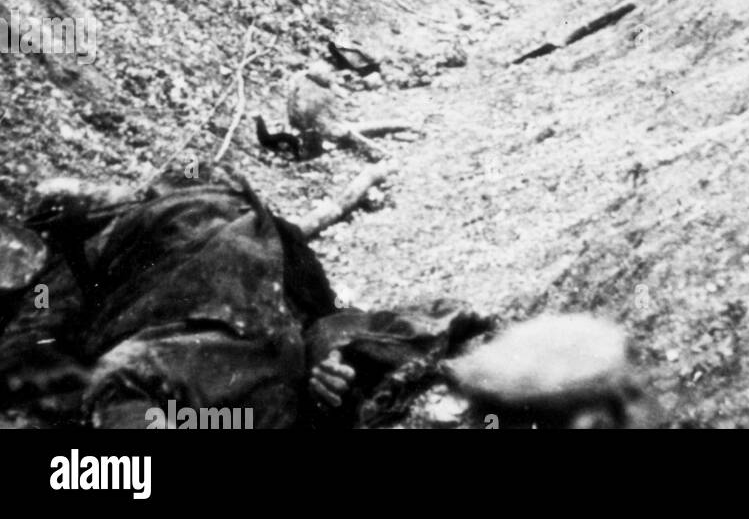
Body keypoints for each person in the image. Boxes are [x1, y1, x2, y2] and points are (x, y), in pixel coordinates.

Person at [0, 163, 487, 429]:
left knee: (116, 387)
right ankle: (324, 374)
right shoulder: (179, 191)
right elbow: (318, 297)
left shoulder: (71, 257)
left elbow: (32, 342)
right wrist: (324, 348)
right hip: (271, 290)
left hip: (224, 313)